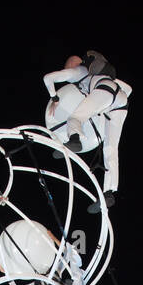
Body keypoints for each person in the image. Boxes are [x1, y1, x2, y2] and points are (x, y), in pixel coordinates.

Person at [43, 50, 131, 209]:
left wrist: (55, 98)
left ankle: (75, 139)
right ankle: (108, 193)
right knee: (111, 148)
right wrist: (103, 107)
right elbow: (128, 90)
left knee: (74, 118)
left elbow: (48, 78)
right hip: (121, 102)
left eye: (67, 67)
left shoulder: (78, 71)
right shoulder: (97, 74)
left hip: (105, 91)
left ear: (72, 64)